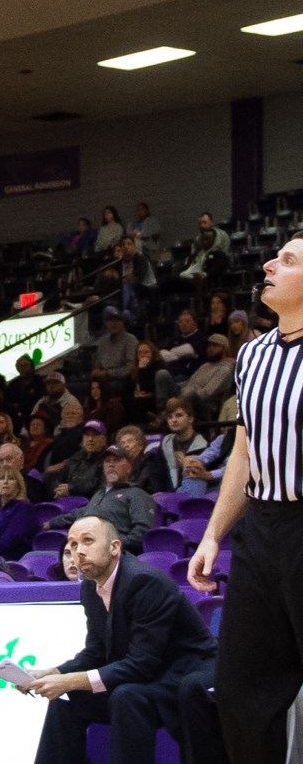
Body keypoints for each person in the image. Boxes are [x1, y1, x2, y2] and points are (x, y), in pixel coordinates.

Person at [188, 234, 303, 764]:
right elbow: (242, 455)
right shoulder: (253, 355)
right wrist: (214, 534)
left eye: (288, 260)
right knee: (240, 692)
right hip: (261, 529)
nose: (268, 264)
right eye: (274, 256)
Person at [24, 516, 216, 764]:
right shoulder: (89, 587)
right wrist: (52, 673)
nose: (77, 551)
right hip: (148, 672)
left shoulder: (145, 582)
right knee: (67, 698)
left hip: (185, 671)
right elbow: (95, 652)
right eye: (72, 545)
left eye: (87, 541)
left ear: (115, 547)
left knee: (126, 696)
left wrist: (69, 680)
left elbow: (141, 664)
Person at [48, 444, 157, 551]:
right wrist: (51, 523)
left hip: (113, 553)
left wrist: (114, 546)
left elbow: (143, 530)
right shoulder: (99, 494)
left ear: (129, 467)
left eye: (116, 460)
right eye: (107, 461)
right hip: (86, 549)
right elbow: (80, 513)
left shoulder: (137, 494)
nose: (111, 464)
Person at [0, 466, 39, 559]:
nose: (5, 482)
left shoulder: (25, 509)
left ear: (18, 484)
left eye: (11, 479)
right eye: (1, 478)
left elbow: (11, 540)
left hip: (11, 562)